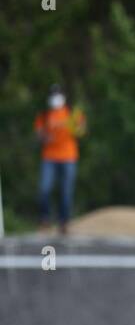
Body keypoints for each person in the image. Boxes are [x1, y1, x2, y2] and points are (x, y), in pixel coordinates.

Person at [33, 84, 86, 234]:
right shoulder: (44, 115)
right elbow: (38, 134)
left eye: (58, 94)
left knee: (66, 191)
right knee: (44, 189)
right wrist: (44, 138)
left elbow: (81, 130)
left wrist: (77, 127)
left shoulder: (71, 113)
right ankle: (45, 219)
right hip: (49, 157)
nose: (55, 98)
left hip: (68, 156)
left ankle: (64, 222)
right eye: (53, 94)